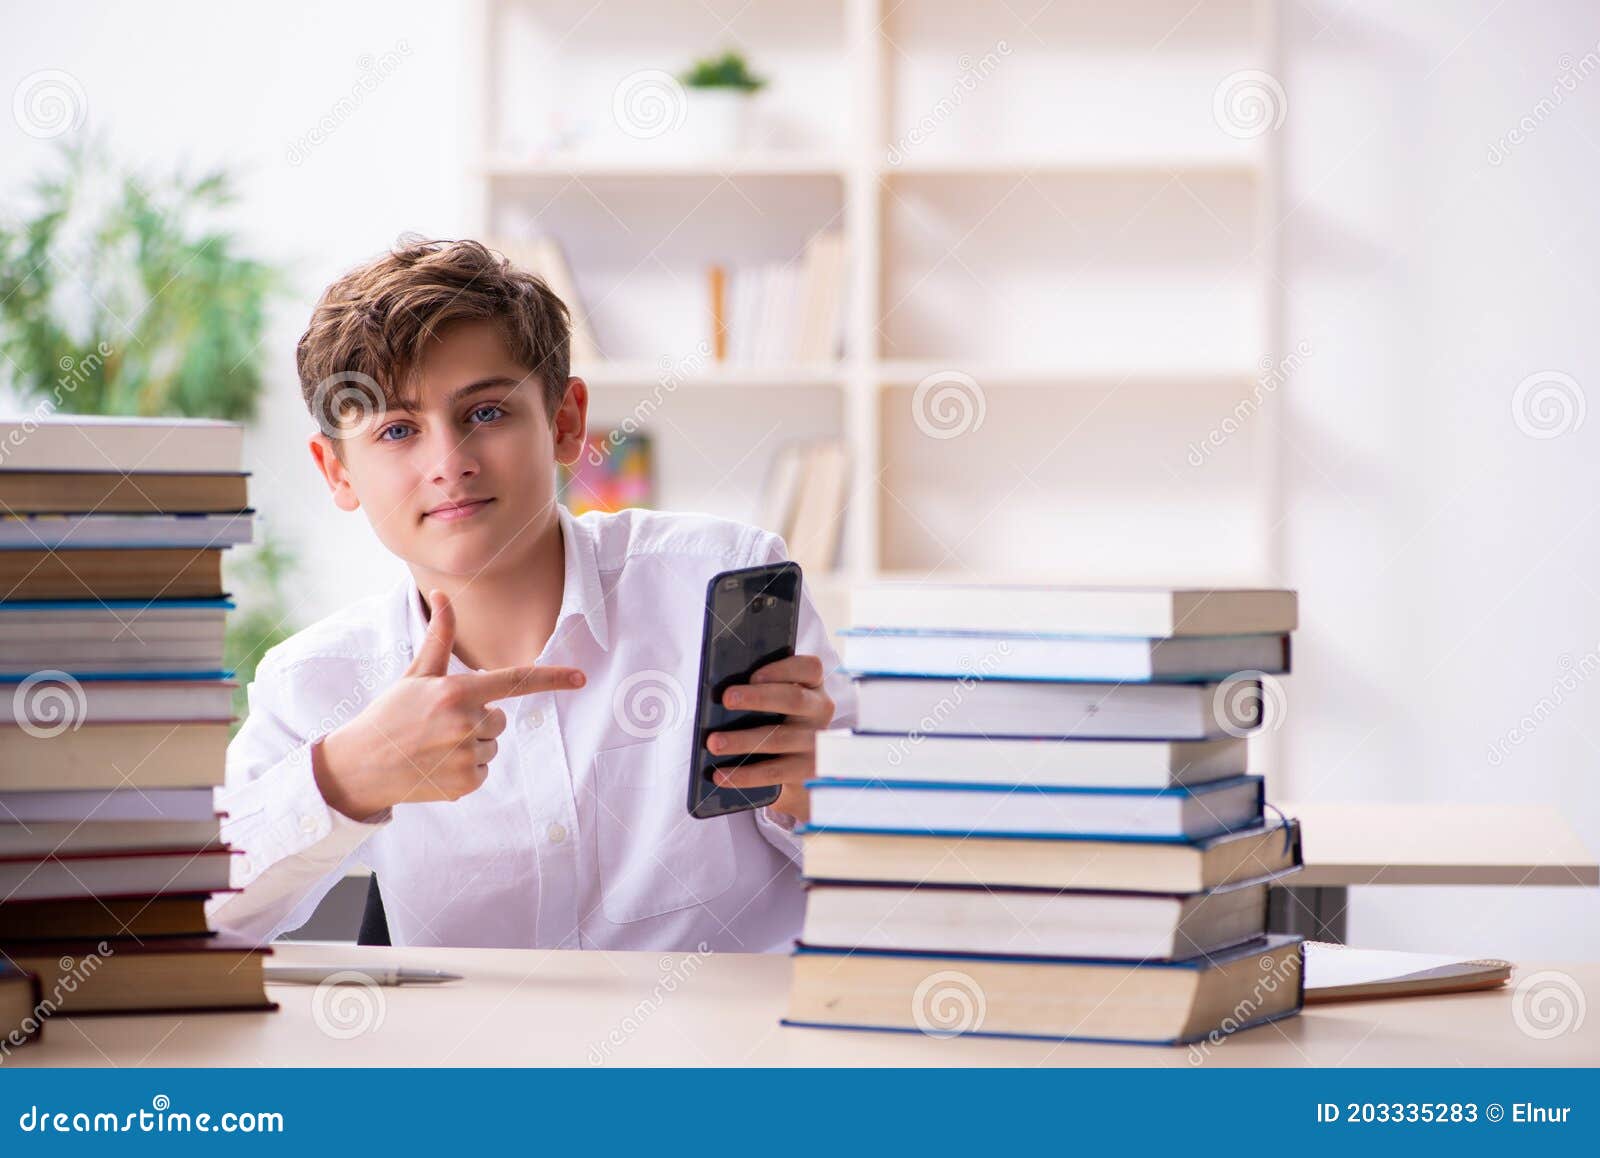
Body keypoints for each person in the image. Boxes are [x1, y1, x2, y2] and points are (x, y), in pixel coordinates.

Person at [209, 238, 854, 952]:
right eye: (397, 430)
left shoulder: (719, 584)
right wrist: (343, 778)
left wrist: (823, 793)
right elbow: (180, 915)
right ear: (337, 472)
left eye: (485, 413)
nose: (448, 464)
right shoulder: (314, 682)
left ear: (566, 423)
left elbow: (919, 878)